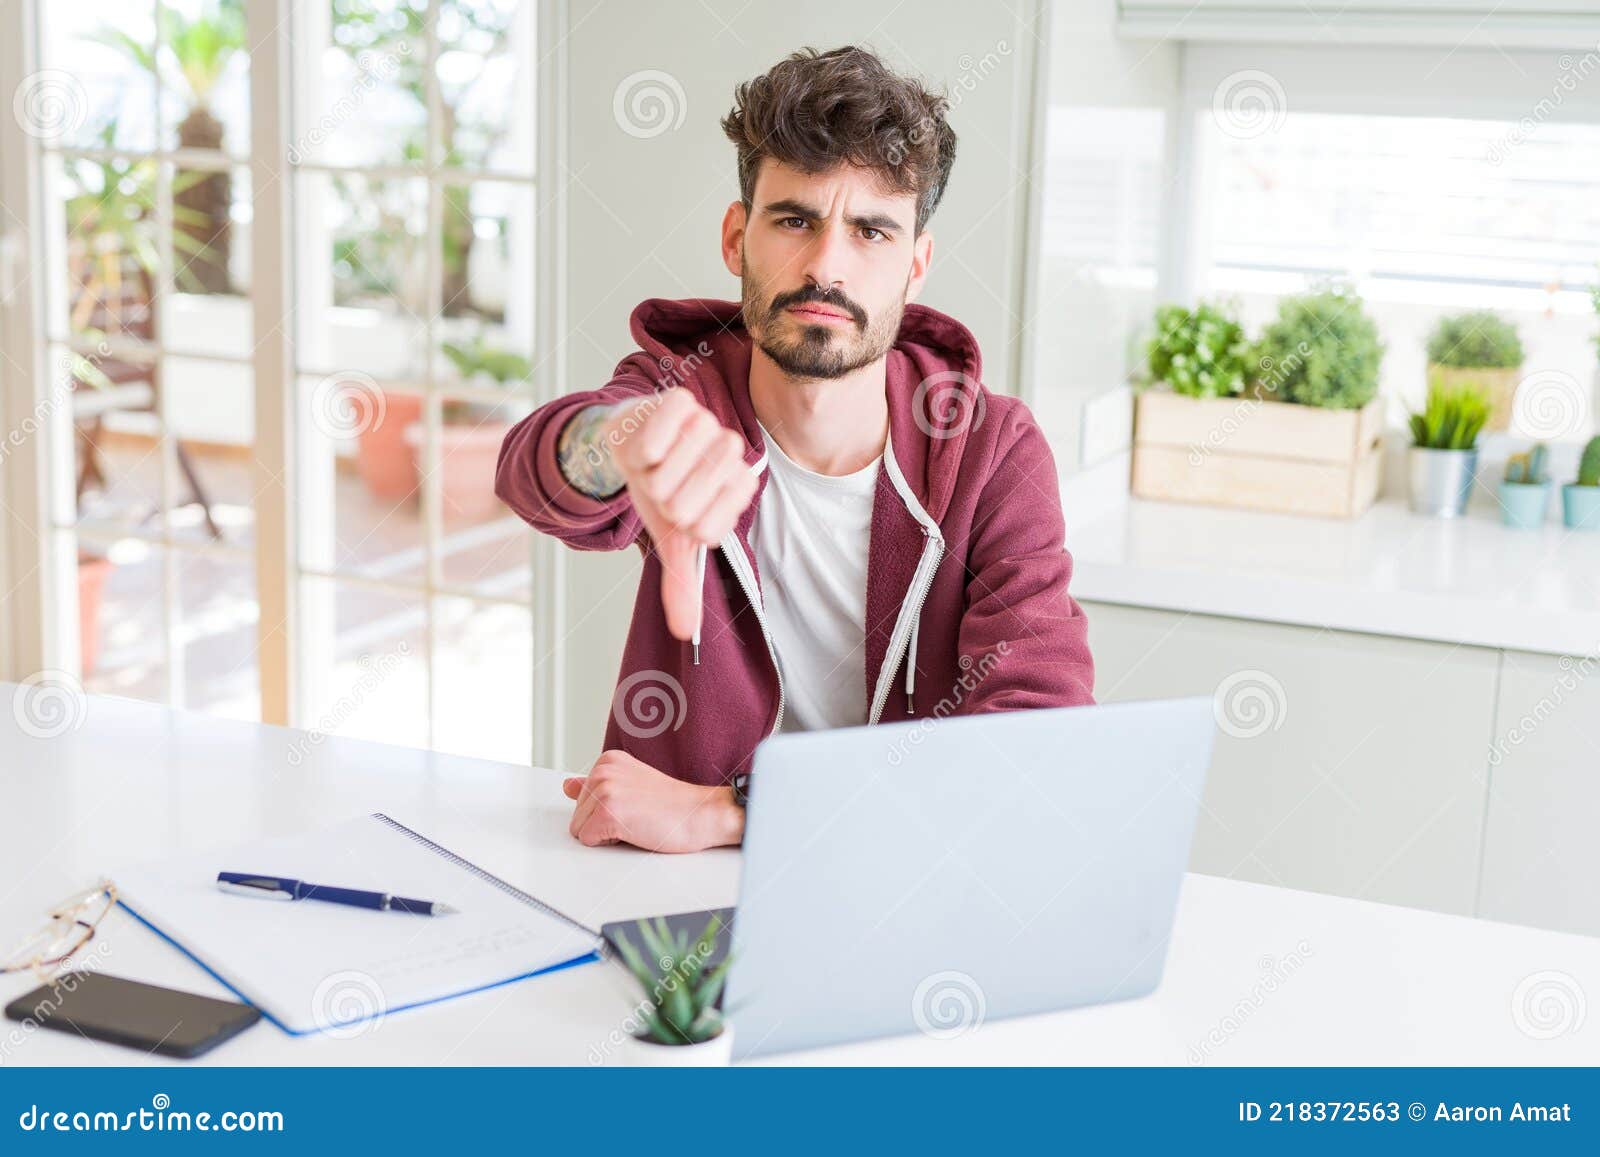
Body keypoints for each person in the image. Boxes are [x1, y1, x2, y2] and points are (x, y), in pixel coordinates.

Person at [495, 45, 1094, 853]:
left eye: (871, 231)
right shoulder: (683, 395)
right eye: (794, 220)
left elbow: (1035, 746)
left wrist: (731, 813)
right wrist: (617, 443)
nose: (826, 266)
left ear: (915, 265)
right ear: (737, 238)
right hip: (679, 900)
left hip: (901, 879)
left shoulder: (993, 451)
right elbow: (535, 472)